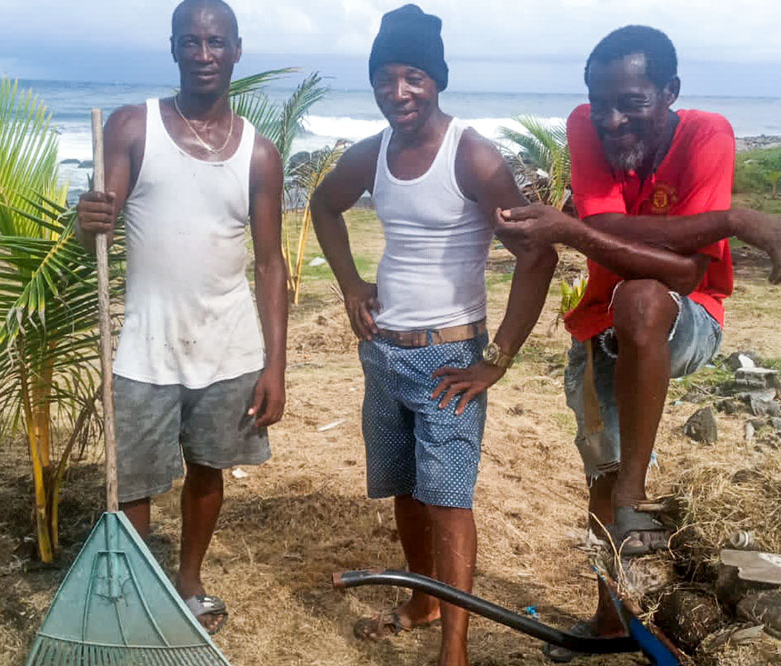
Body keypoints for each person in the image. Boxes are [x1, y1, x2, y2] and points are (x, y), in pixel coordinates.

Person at [495, 25, 781, 662]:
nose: (613, 121)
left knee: (643, 297)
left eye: (632, 104)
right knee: (599, 471)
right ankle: (610, 617)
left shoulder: (706, 135)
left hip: (685, 318)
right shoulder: (586, 126)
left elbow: (686, 276)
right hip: (599, 326)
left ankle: (634, 494)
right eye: (600, 103)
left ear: (669, 92)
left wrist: (584, 231)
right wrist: (725, 221)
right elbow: (608, 225)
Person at [310, 5, 558, 665]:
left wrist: (496, 359)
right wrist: (351, 286)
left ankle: (455, 648)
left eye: (413, 76)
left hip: (449, 357)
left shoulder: (472, 157)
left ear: (437, 79)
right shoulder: (374, 153)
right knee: (404, 489)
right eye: (386, 78)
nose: (399, 92)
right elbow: (324, 204)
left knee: (448, 502)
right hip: (383, 354)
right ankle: (422, 602)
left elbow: (537, 255)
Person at [75, 0, 287, 635]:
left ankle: (188, 581)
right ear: (172, 49)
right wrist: (87, 221)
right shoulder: (132, 127)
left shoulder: (259, 153)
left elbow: (272, 264)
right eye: (190, 42)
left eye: (215, 42)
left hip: (229, 345)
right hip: (145, 344)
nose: (203, 55)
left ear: (237, 50)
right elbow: (100, 234)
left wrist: (276, 364)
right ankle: (138, 594)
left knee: (208, 468)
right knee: (133, 480)